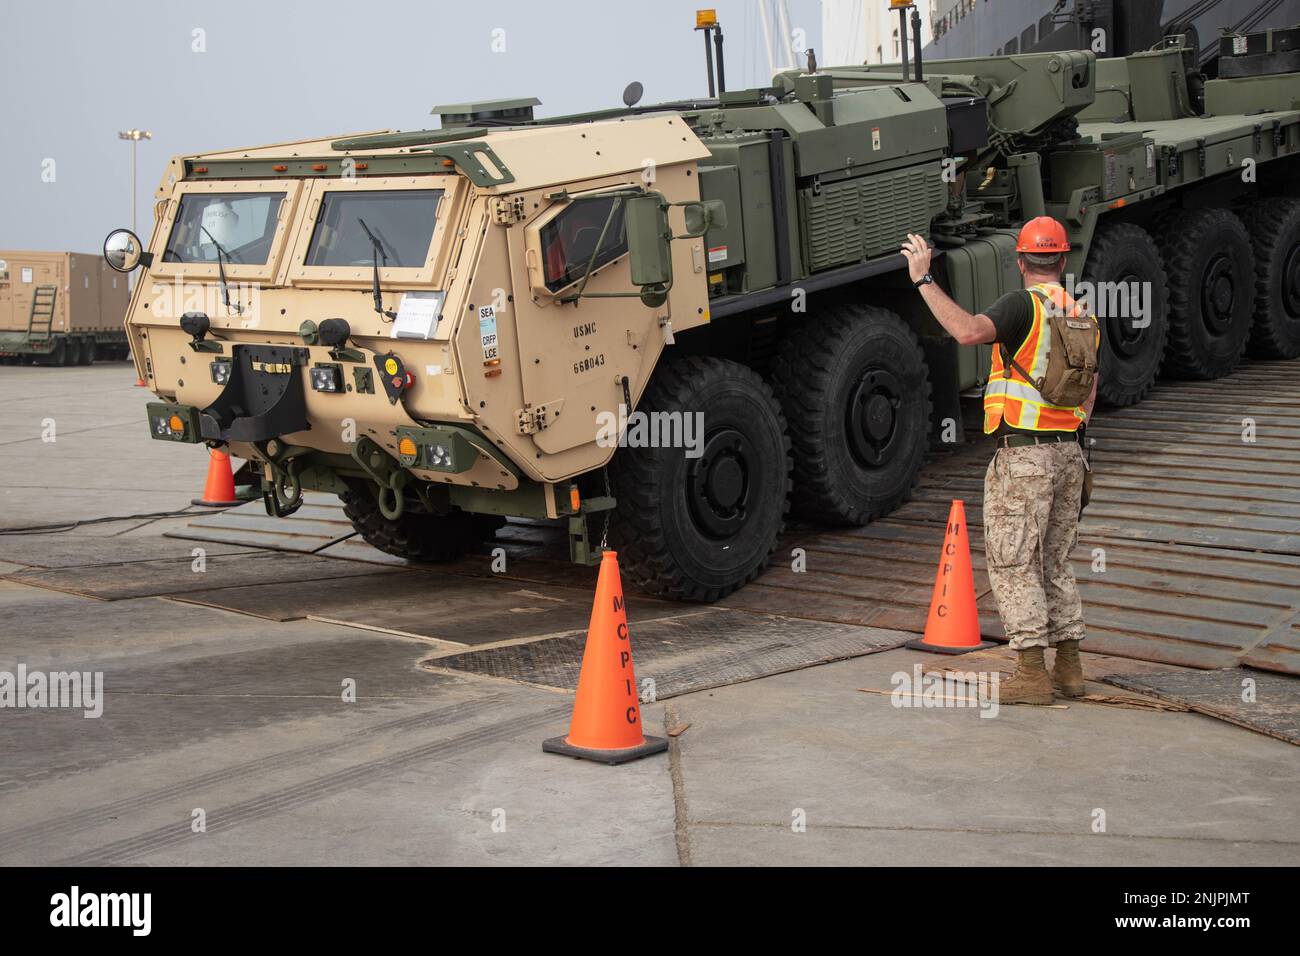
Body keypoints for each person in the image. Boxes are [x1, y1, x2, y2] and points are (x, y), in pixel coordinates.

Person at [900, 217, 1098, 705]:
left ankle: (1032, 674)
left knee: (1013, 562)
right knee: (1054, 559)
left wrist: (923, 279)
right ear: (1064, 259)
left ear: (1020, 260)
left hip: (1024, 457)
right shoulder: (1082, 314)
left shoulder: (1020, 305)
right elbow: (1090, 391)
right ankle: (1069, 668)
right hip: (1070, 454)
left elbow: (967, 332)